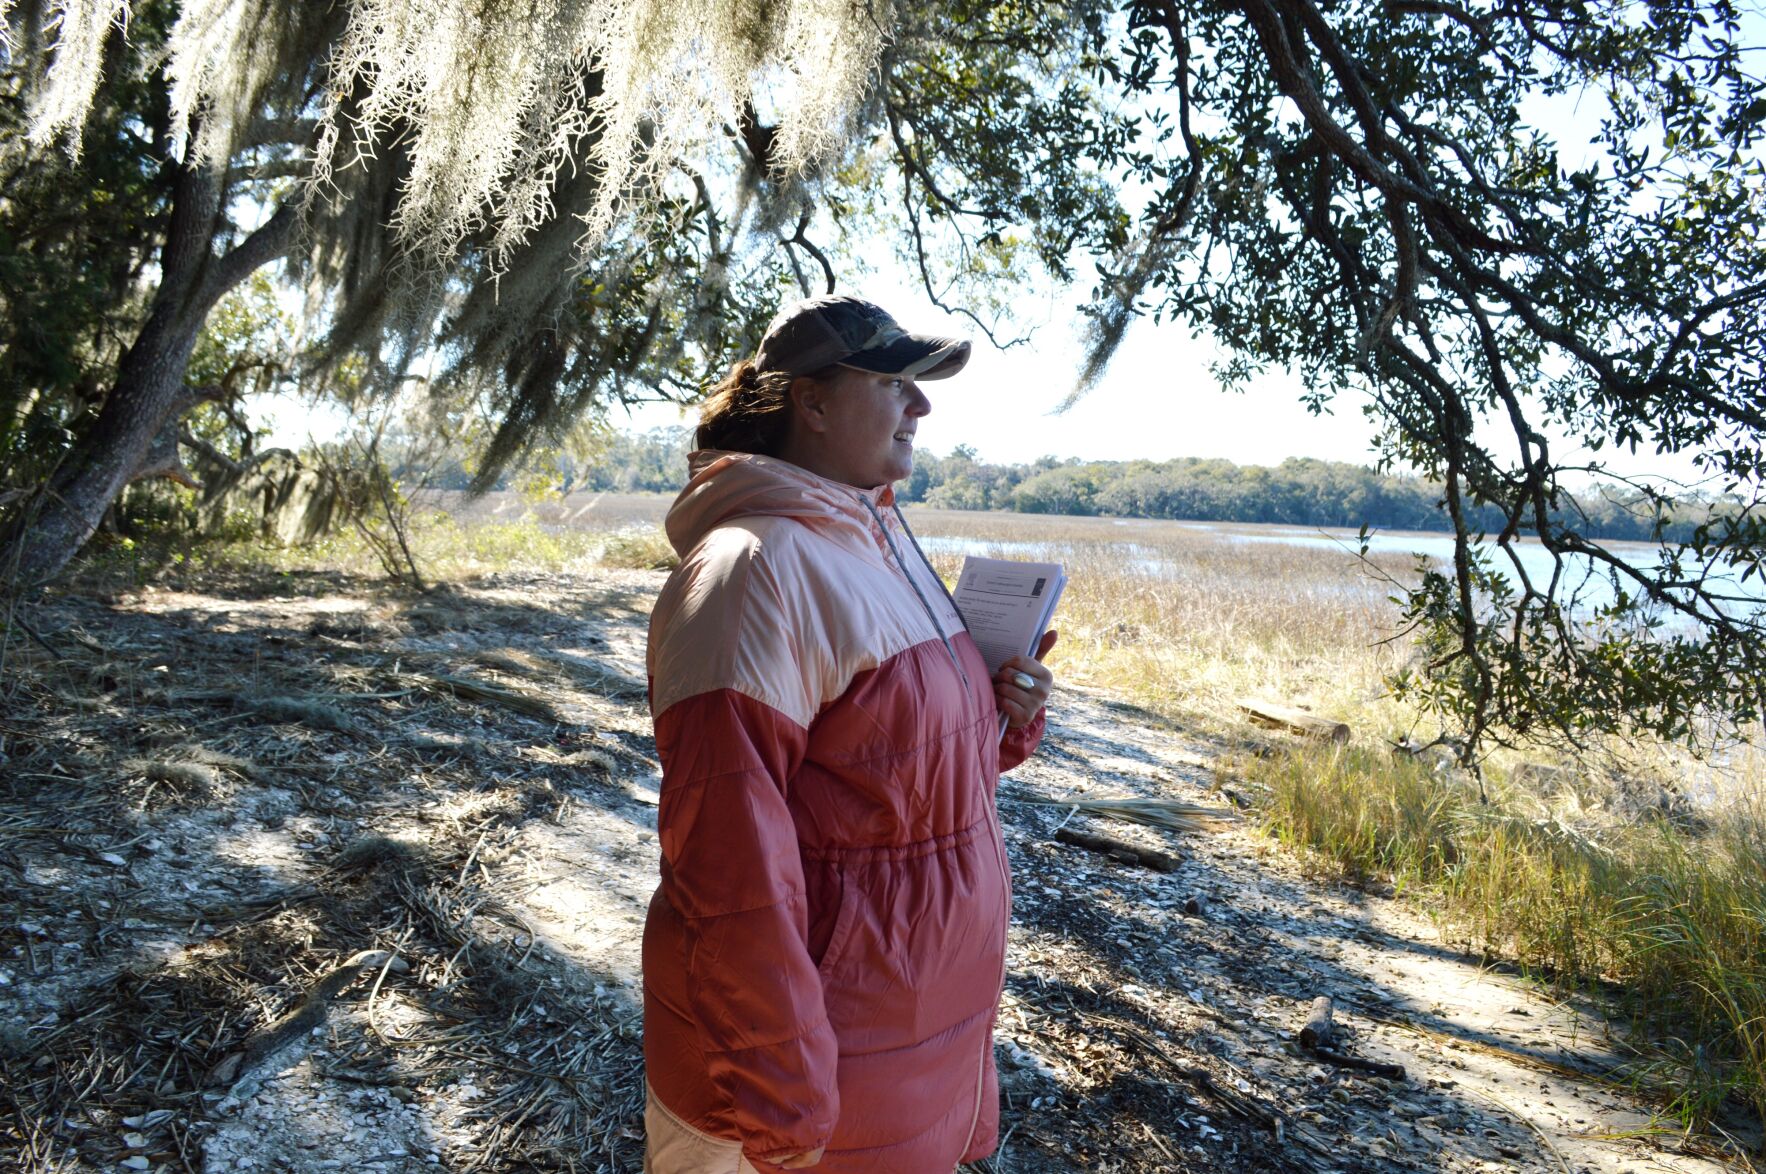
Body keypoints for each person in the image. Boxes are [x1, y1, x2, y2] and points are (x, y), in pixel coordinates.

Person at [641, 294, 1057, 1173]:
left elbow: (885, 776)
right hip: (807, 1077)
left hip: (898, 1045)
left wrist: (998, 721)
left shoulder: (873, 543)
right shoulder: (754, 571)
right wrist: (783, 1092)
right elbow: (727, 859)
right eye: (895, 381)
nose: (923, 405)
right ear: (814, 403)